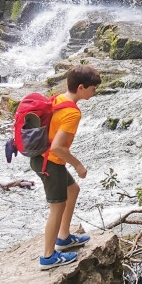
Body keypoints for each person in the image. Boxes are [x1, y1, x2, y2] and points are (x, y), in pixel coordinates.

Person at [32, 64, 102, 269]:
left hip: (41, 157)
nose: (95, 92)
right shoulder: (73, 113)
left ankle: (63, 238)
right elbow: (57, 147)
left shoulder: (58, 98)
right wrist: (79, 165)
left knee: (73, 189)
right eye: (93, 88)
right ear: (81, 88)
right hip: (49, 162)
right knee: (57, 206)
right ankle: (47, 257)